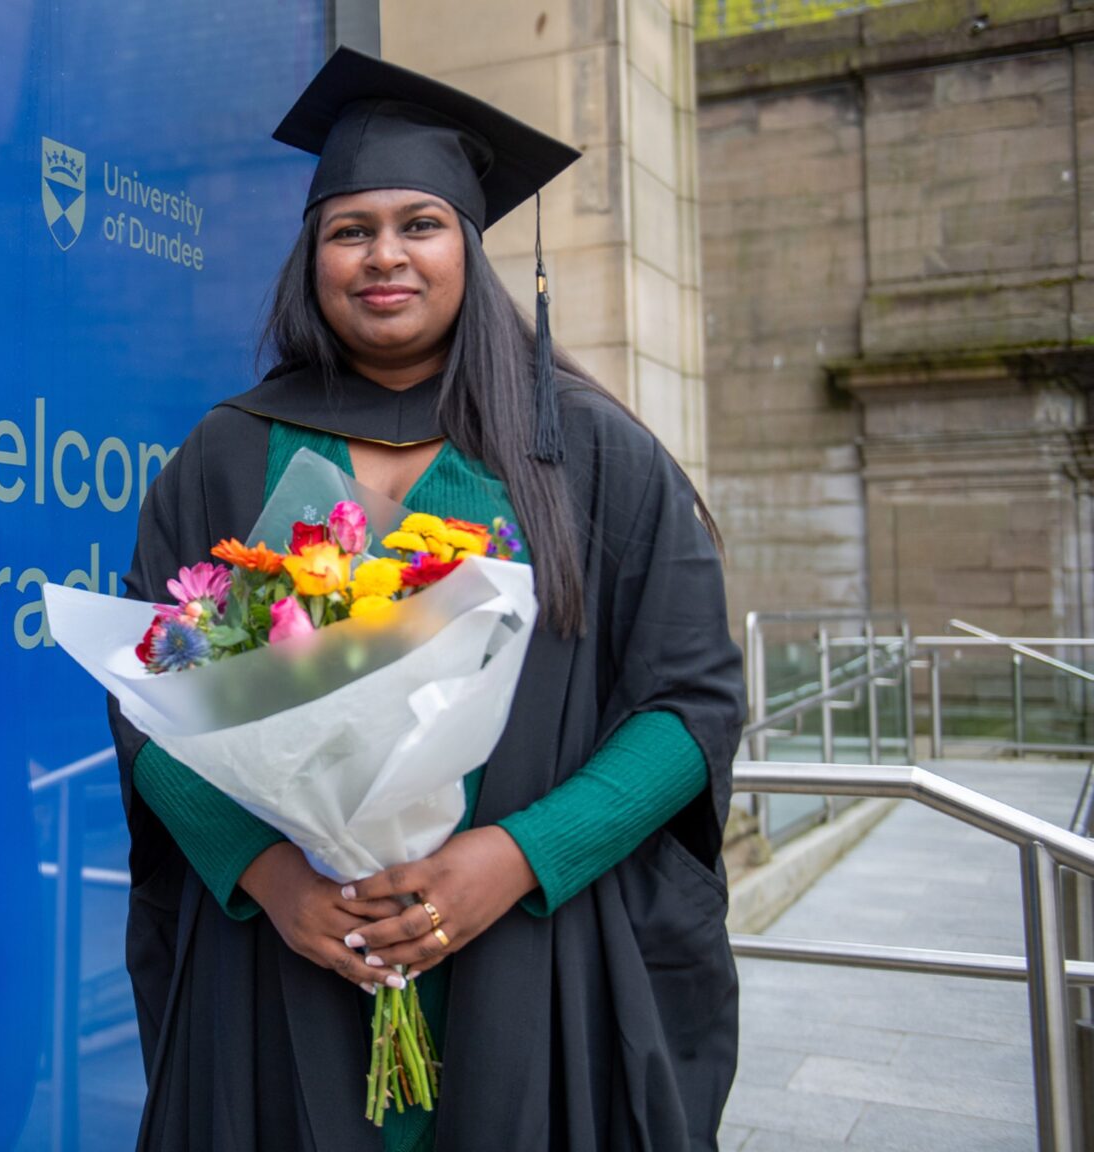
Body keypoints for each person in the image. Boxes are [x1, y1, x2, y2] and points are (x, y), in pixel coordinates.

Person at [108, 47, 745, 1152]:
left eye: (420, 224)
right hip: (287, 955)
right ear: (312, 258)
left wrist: (517, 859)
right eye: (349, 231)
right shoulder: (226, 453)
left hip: (530, 948)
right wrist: (273, 878)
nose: (384, 256)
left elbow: (689, 708)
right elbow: (151, 704)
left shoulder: (589, 451)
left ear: (471, 247)